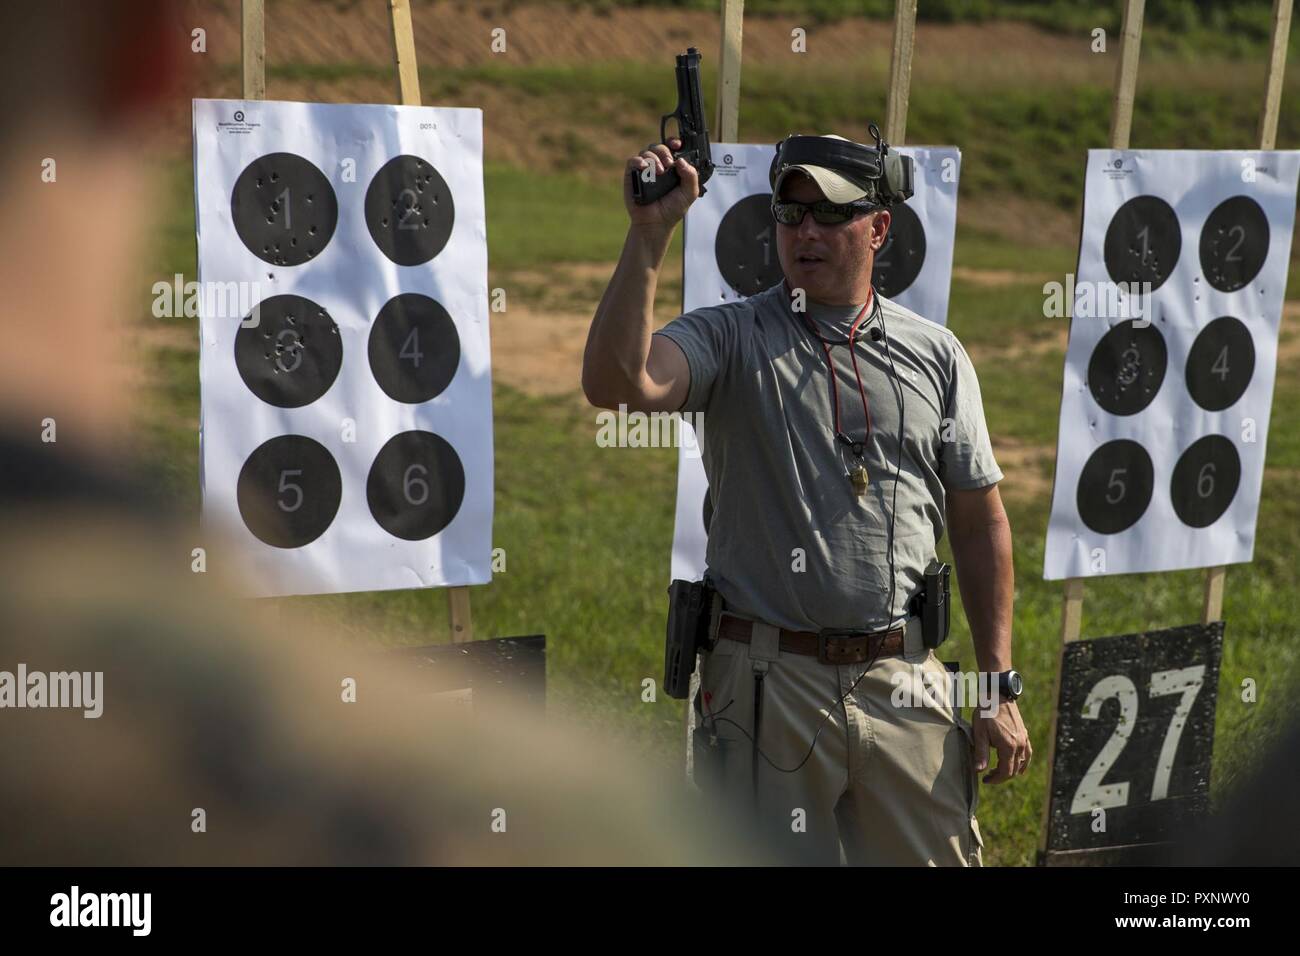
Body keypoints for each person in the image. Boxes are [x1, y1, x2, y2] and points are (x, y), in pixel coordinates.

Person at [582, 132, 1032, 865]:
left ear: (879, 228)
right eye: (790, 215)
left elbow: (979, 522)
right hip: (768, 684)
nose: (806, 233)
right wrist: (648, 237)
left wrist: (994, 684)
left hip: (905, 679)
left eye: (830, 215)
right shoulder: (730, 334)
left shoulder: (938, 354)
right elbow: (618, 384)